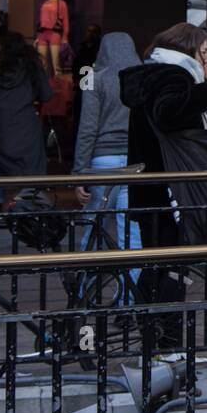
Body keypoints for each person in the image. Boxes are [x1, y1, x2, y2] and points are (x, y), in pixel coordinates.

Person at [118, 23, 207, 249]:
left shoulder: (153, 75)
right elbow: (167, 114)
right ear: (188, 48)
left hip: (150, 187)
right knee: (168, 266)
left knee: (157, 262)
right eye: (203, 52)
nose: (205, 58)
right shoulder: (174, 75)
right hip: (170, 188)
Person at [71, 32, 144, 256]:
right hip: (136, 162)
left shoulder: (95, 78)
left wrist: (79, 172)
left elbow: (87, 129)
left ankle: (85, 286)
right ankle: (130, 291)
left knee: (95, 228)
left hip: (103, 162)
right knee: (131, 234)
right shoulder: (143, 78)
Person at [0, 34, 52, 204]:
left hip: (2, 130)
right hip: (28, 128)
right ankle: (25, 207)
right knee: (31, 169)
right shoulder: (32, 69)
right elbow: (47, 95)